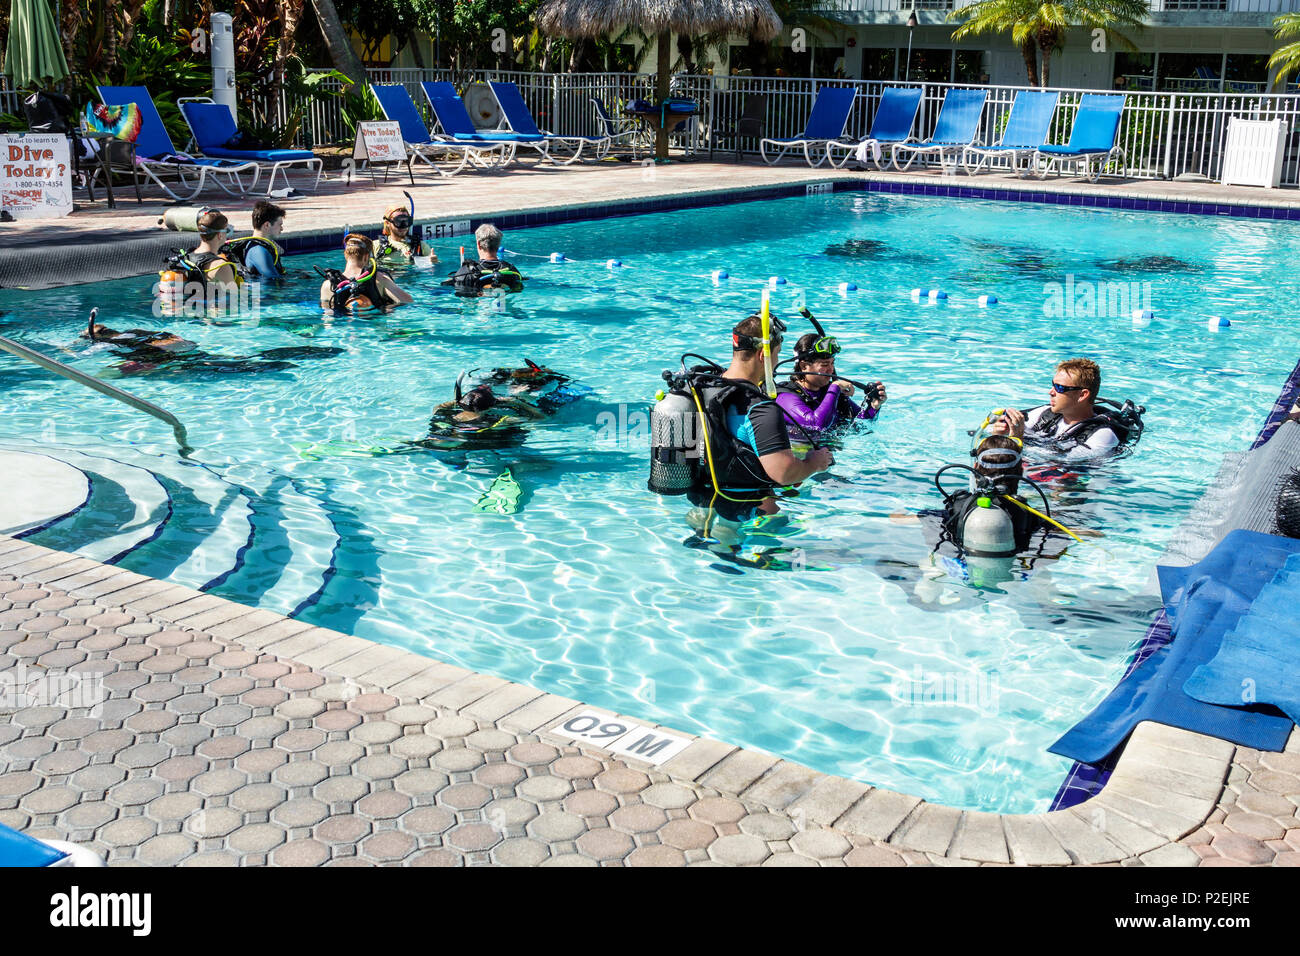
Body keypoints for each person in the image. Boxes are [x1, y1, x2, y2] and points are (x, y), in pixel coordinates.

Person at [688, 313, 833, 521]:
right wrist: (813, 463)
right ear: (763, 356)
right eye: (777, 354)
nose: (776, 362)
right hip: (749, 515)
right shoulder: (761, 408)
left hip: (703, 506)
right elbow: (783, 473)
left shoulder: (707, 388)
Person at [990, 358, 1139, 459]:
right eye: (1053, 384)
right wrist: (999, 434)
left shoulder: (1102, 435)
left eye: (1059, 387)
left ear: (1082, 395)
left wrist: (1016, 439)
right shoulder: (1044, 414)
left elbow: (1063, 461)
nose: (1051, 391)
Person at [776, 332, 886, 441]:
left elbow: (861, 424)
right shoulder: (786, 397)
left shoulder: (828, 392)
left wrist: (873, 406)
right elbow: (816, 426)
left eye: (832, 363)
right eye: (824, 365)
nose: (831, 370)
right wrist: (835, 388)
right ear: (804, 366)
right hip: (801, 453)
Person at [160, 210, 241, 304]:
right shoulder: (221, 266)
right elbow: (233, 301)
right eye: (226, 231)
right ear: (220, 235)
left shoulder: (185, 259)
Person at [319, 233, 412, 311]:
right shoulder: (379, 278)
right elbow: (408, 301)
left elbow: (328, 319)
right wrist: (386, 308)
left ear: (345, 255)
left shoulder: (328, 285)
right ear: (367, 257)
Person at [444, 223, 524, 295]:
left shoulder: (465, 272)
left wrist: (432, 263)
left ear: (478, 244)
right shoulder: (511, 271)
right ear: (498, 245)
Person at [221, 200, 286, 281]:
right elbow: (273, 281)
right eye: (280, 225)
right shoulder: (259, 251)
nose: (282, 228)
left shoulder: (258, 246)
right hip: (265, 293)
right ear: (267, 225)